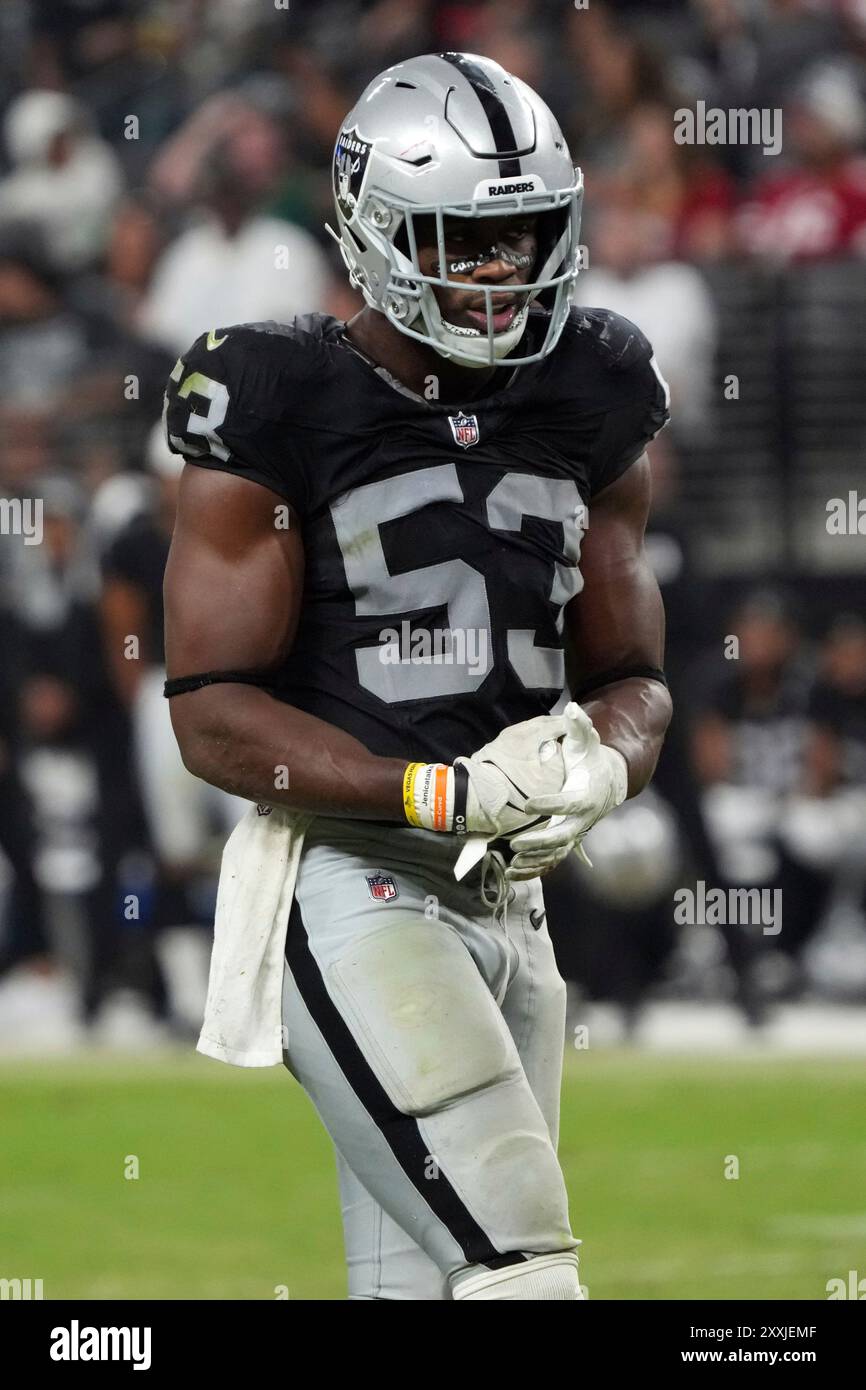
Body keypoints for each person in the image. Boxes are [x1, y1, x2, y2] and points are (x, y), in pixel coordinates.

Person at [162, 53, 672, 1302]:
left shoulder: (593, 385)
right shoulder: (275, 389)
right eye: (468, 238)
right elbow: (212, 715)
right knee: (519, 1266)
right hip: (352, 885)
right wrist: (439, 793)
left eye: (525, 235)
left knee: (426, 1294)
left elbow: (636, 674)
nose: (505, 272)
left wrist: (600, 759)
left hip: (510, 899)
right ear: (376, 231)